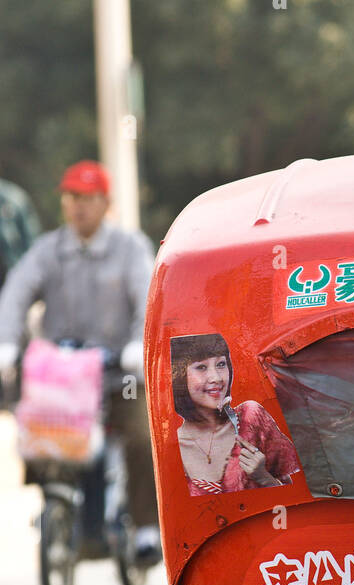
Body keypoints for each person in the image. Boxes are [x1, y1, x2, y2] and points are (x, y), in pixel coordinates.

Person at [0, 160, 159, 558]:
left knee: (142, 436)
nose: (77, 206)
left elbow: (147, 298)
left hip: (118, 376)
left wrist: (137, 347)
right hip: (64, 378)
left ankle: (145, 527)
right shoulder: (48, 250)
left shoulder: (130, 248)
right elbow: (16, 294)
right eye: (71, 197)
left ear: (106, 203)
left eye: (86, 198)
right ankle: (57, 509)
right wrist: (6, 344)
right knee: (36, 434)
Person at [170, 333, 301, 495]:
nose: (216, 378)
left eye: (220, 364)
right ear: (179, 376)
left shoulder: (250, 418)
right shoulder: (171, 449)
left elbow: (294, 500)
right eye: (201, 367)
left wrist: (264, 477)